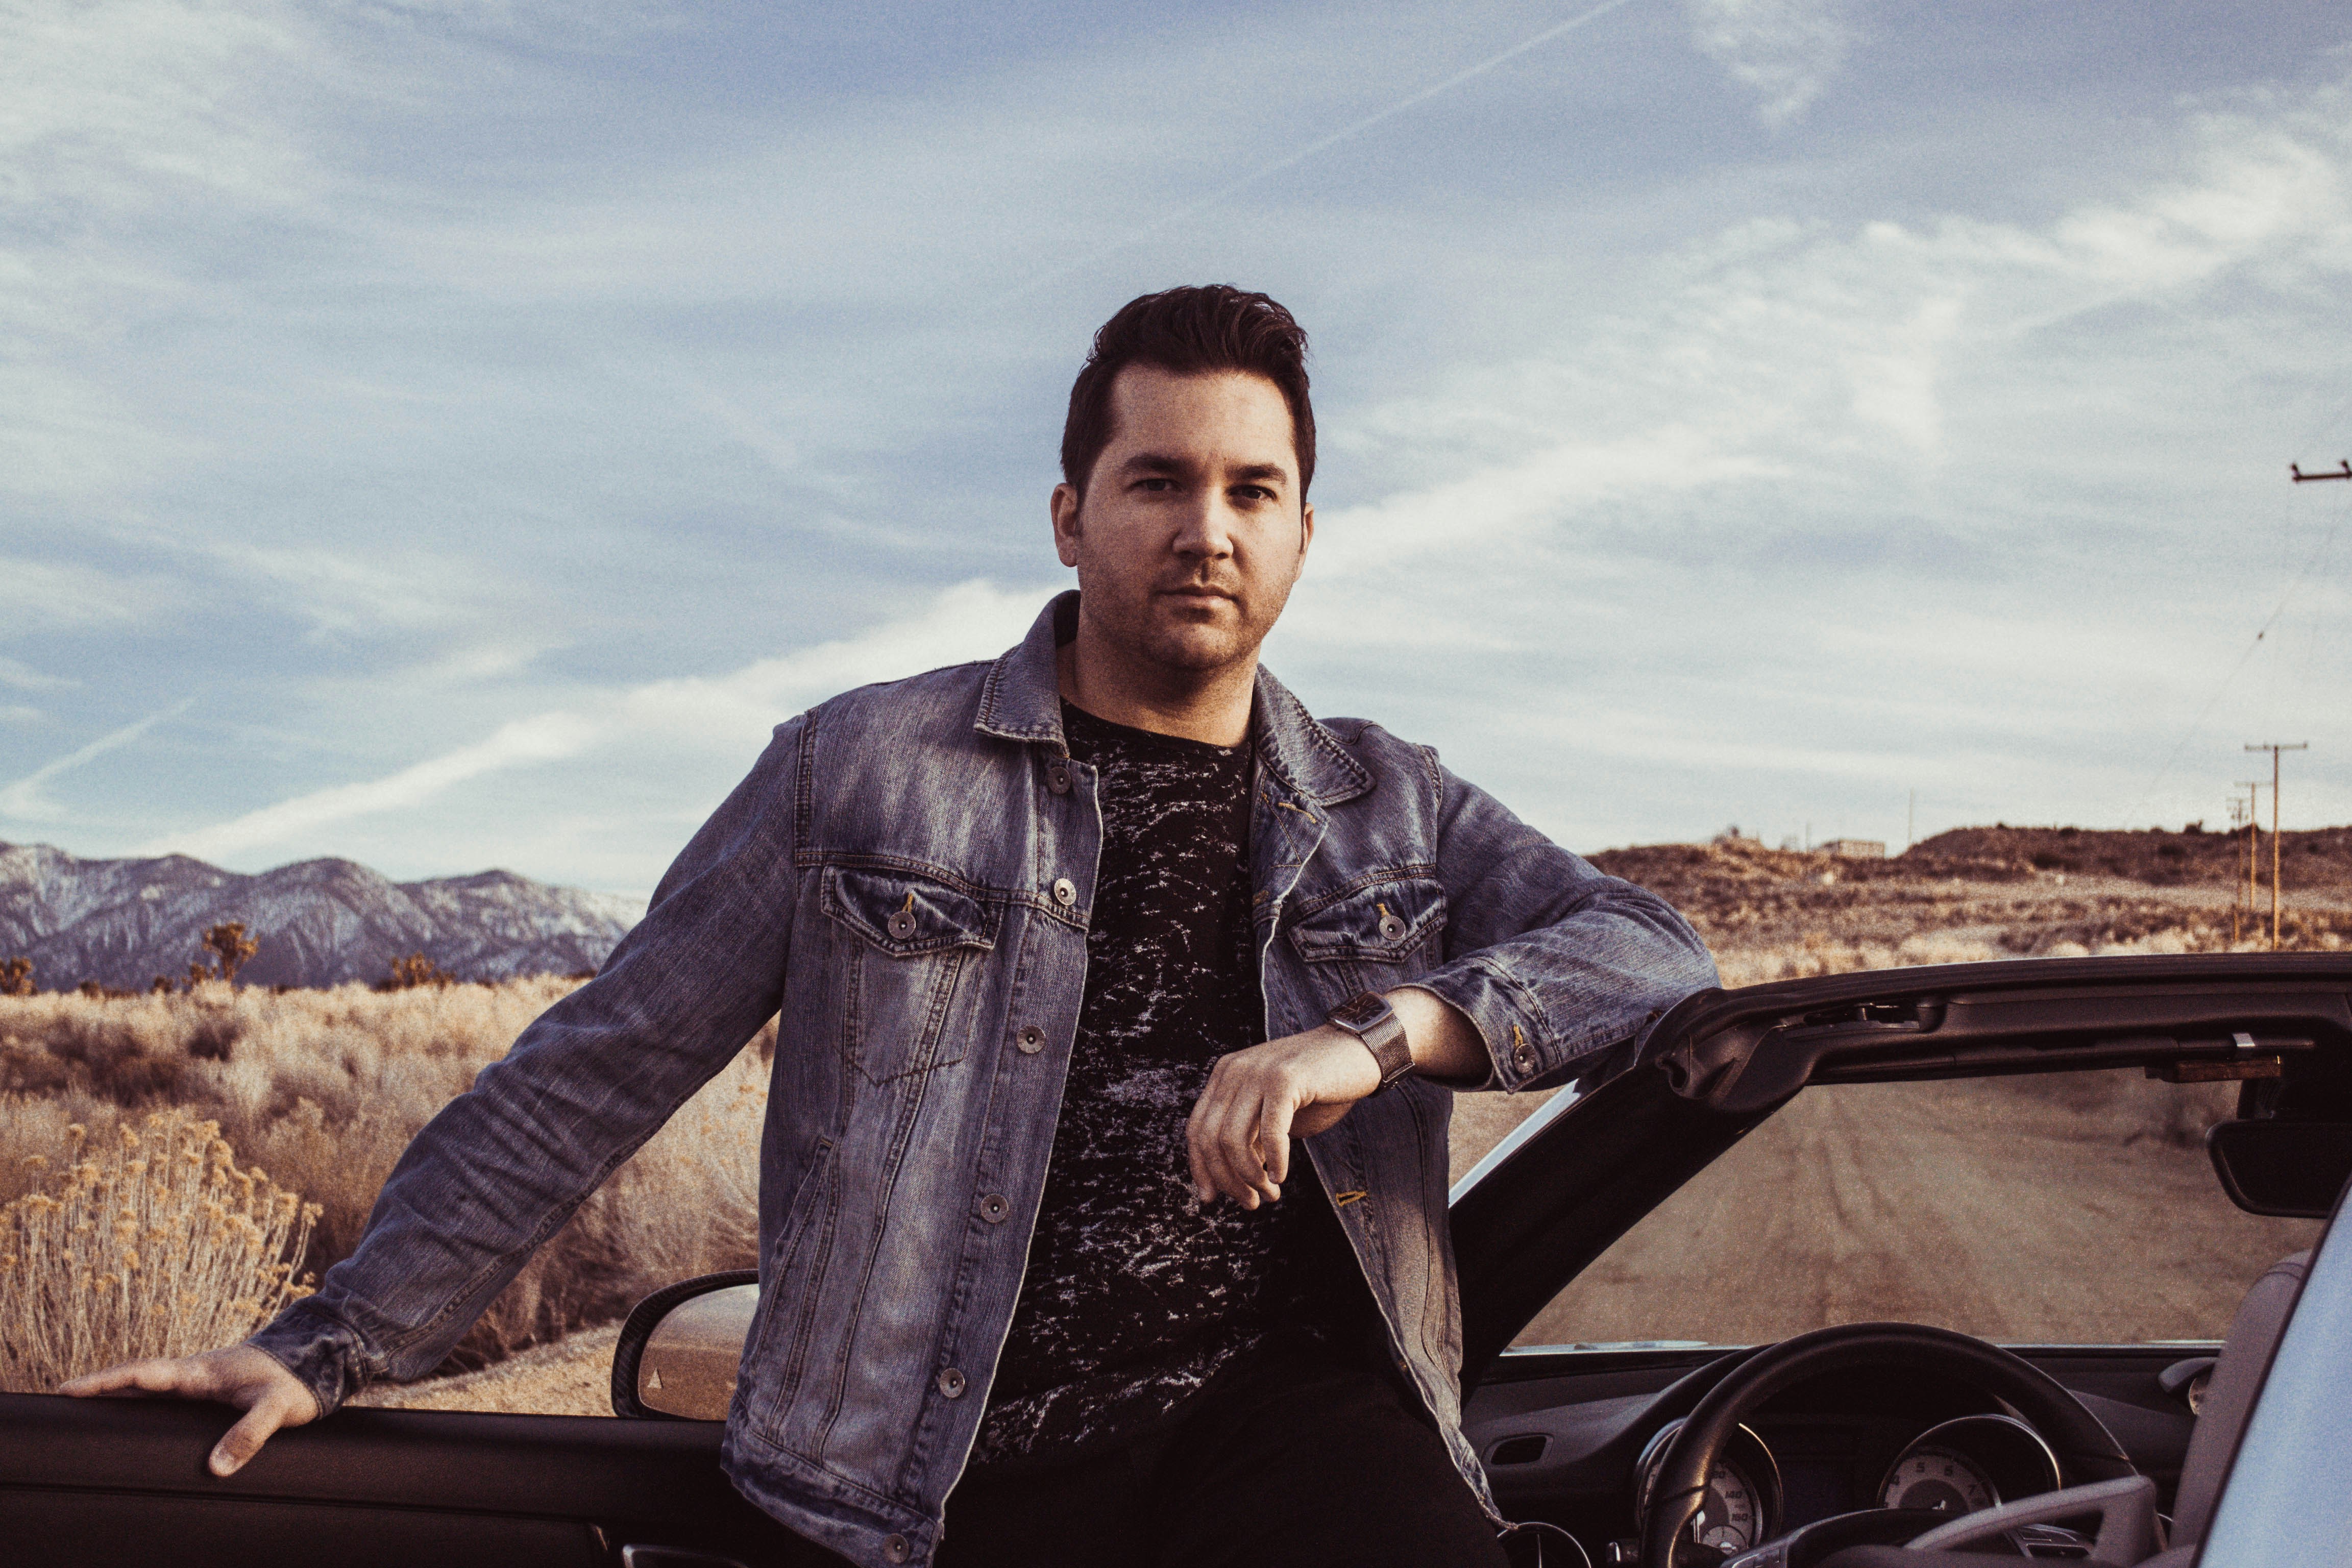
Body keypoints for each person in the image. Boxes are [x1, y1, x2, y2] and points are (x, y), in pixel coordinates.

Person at [64, 285, 1718, 1567]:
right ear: (1070, 514)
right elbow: (600, 1065)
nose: (1202, 529)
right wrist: (330, 1347)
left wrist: (1377, 1036)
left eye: (1249, 489)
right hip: (930, 1478)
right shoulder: (860, 768)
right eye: (1156, 481)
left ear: (1301, 532)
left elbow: (1652, 953)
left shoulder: (1390, 804)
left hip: (1286, 1434)